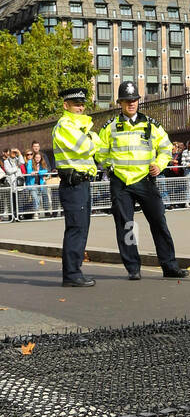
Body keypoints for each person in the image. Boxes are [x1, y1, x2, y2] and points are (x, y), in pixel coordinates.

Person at [94, 81, 189, 279]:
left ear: (139, 101)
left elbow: (166, 148)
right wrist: (109, 167)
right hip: (121, 182)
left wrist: (159, 165)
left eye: (134, 100)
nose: (131, 104)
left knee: (159, 222)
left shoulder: (151, 125)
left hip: (145, 180)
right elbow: (100, 153)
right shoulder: (110, 127)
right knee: (127, 226)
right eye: (127, 100)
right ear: (120, 102)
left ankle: (170, 266)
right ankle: (133, 268)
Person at [52, 86, 100, 288]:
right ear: (66, 105)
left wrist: (89, 137)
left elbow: (92, 144)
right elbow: (87, 147)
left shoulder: (79, 126)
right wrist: (91, 138)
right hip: (73, 184)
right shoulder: (65, 126)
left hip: (81, 184)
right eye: (76, 105)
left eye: (82, 104)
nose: (80, 108)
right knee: (76, 229)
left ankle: (75, 271)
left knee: (81, 228)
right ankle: (71, 273)